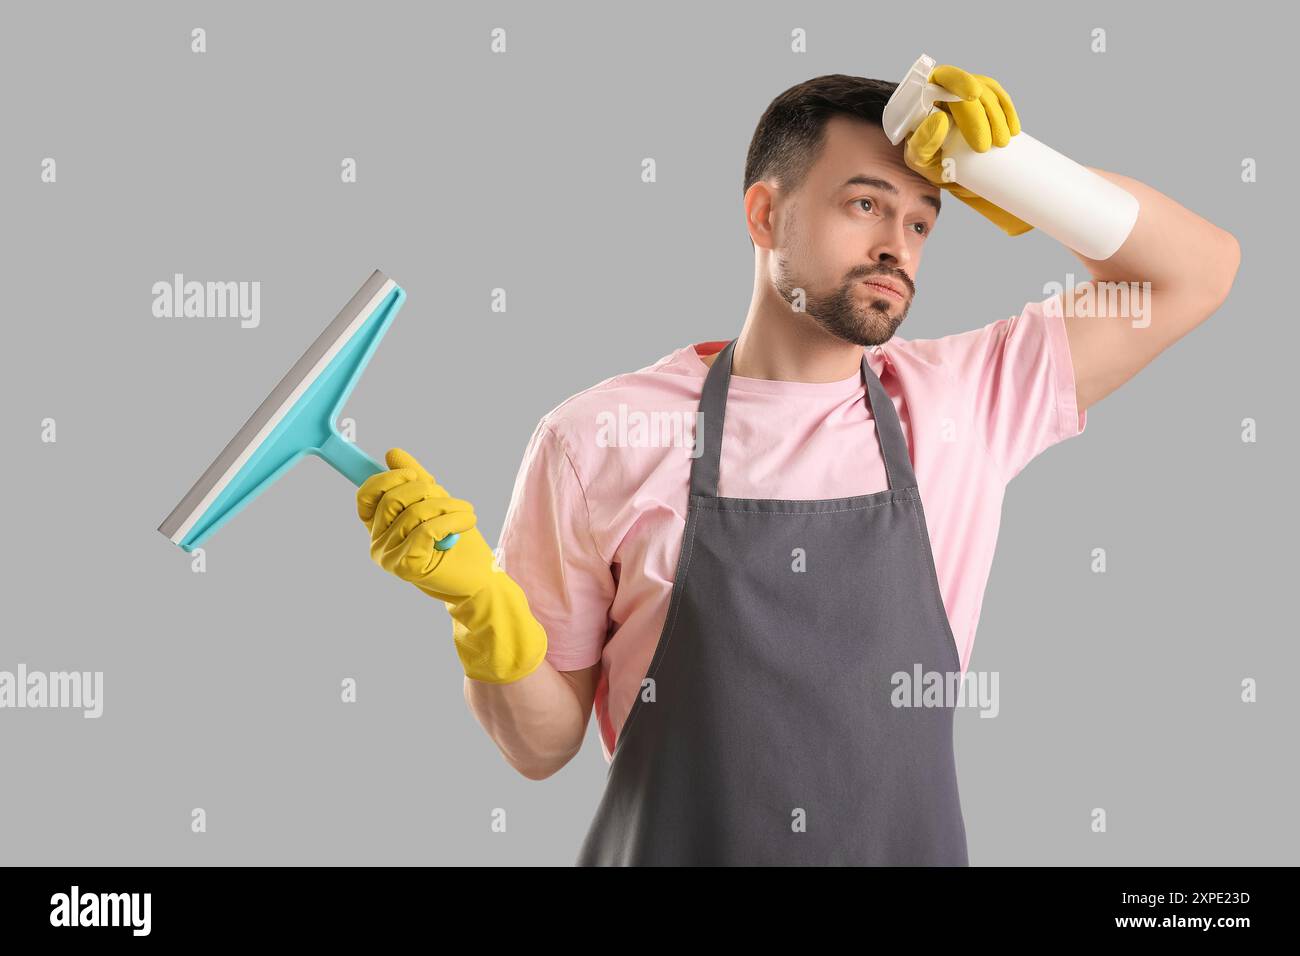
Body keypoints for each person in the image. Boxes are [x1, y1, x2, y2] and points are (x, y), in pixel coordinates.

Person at [355, 66, 1240, 865]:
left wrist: (1015, 170)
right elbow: (540, 748)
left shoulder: (962, 402)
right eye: (864, 205)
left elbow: (1198, 272)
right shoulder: (599, 437)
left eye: (922, 220)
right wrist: (481, 607)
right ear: (765, 214)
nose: (898, 243)